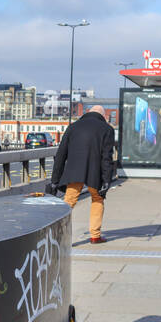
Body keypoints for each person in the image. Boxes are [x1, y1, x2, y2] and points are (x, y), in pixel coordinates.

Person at [49, 105, 116, 244]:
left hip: (74, 172)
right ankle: (95, 236)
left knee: (68, 202)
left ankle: (59, 236)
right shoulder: (107, 129)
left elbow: (61, 154)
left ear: (88, 113)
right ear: (103, 116)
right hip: (94, 173)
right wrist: (107, 180)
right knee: (97, 199)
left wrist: (54, 180)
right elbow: (106, 158)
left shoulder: (73, 127)